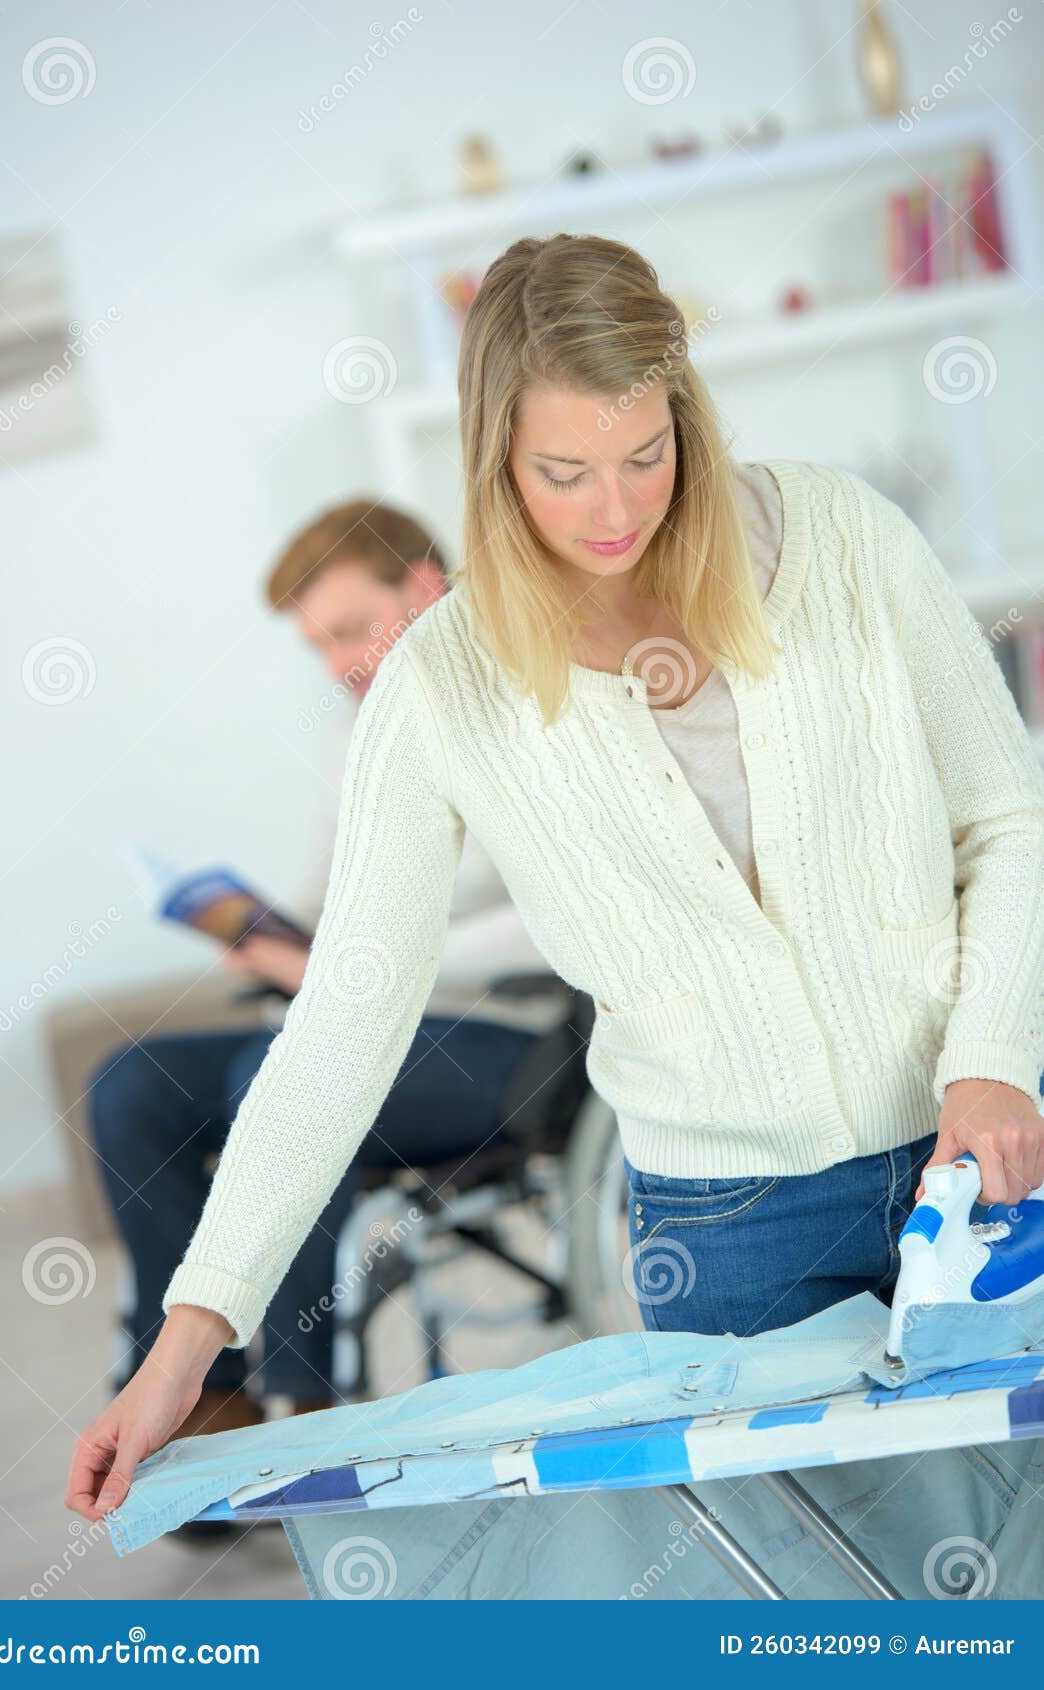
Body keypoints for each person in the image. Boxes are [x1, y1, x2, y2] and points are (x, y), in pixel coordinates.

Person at [67, 231, 1044, 1525]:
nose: (616, 507)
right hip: (734, 1227)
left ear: (684, 410)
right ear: (495, 460)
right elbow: (345, 1022)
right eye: (564, 472)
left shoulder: (844, 537)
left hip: (985, 1158)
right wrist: (187, 1346)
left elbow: (1007, 817)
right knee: (835, 1592)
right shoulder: (440, 686)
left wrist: (996, 1056)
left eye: (646, 452)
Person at [86, 499, 560, 1445]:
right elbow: (333, 893)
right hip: (369, 1006)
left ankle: (303, 1407)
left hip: (512, 1032)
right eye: (319, 645)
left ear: (425, 585)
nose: (339, 663)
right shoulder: (362, 723)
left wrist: (351, 961)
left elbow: (560, 917)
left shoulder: (524, 697)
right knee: (130, 1086)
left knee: (273, 1074)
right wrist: (261, 929)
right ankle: (205, 1397)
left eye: (351, 629)